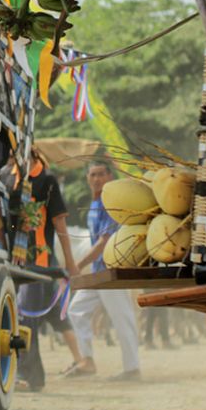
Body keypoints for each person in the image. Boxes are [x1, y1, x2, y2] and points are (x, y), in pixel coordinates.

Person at [64, 159, 142, 381]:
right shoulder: (95, 204)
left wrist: (77, 266)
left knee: (122, 318)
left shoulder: (110, 203)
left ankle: (132, 368)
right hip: (99, 271)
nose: (96, 179)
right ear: (87, 178)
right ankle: (87, 360)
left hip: (112, 271)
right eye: (92, 175)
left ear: (110, 177)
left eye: (100, 174)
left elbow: (103, 243)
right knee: (76, 311)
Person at [13, 148, 83, 392]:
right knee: (42, 315)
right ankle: (36, 377)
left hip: (40, 261)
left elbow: (59, 222)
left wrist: (71, 262)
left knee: (26, 318)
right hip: (15, 260)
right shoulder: (8, 178)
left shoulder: (46, 180)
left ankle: (25, 374)